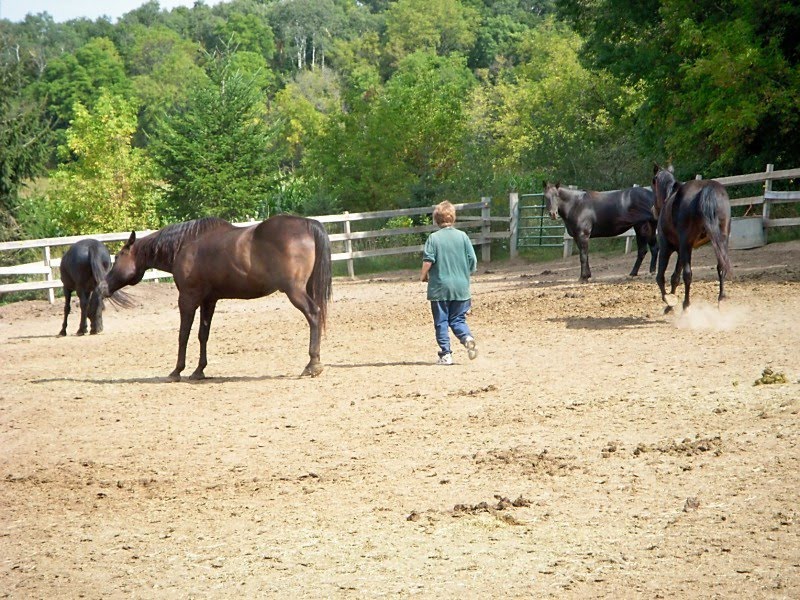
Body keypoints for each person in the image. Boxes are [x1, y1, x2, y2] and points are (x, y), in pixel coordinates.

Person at [420, 200, 478, 365]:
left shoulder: (433, 238)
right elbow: (472, 260)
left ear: (436, 219)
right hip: (461, 288)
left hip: (440, 288)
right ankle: (467, 338)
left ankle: (446, 354)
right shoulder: (463, 236)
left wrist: (423, 276)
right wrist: (465, 274)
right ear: (453, 218)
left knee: (442, 322)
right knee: (458, 320)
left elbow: (428, 261)